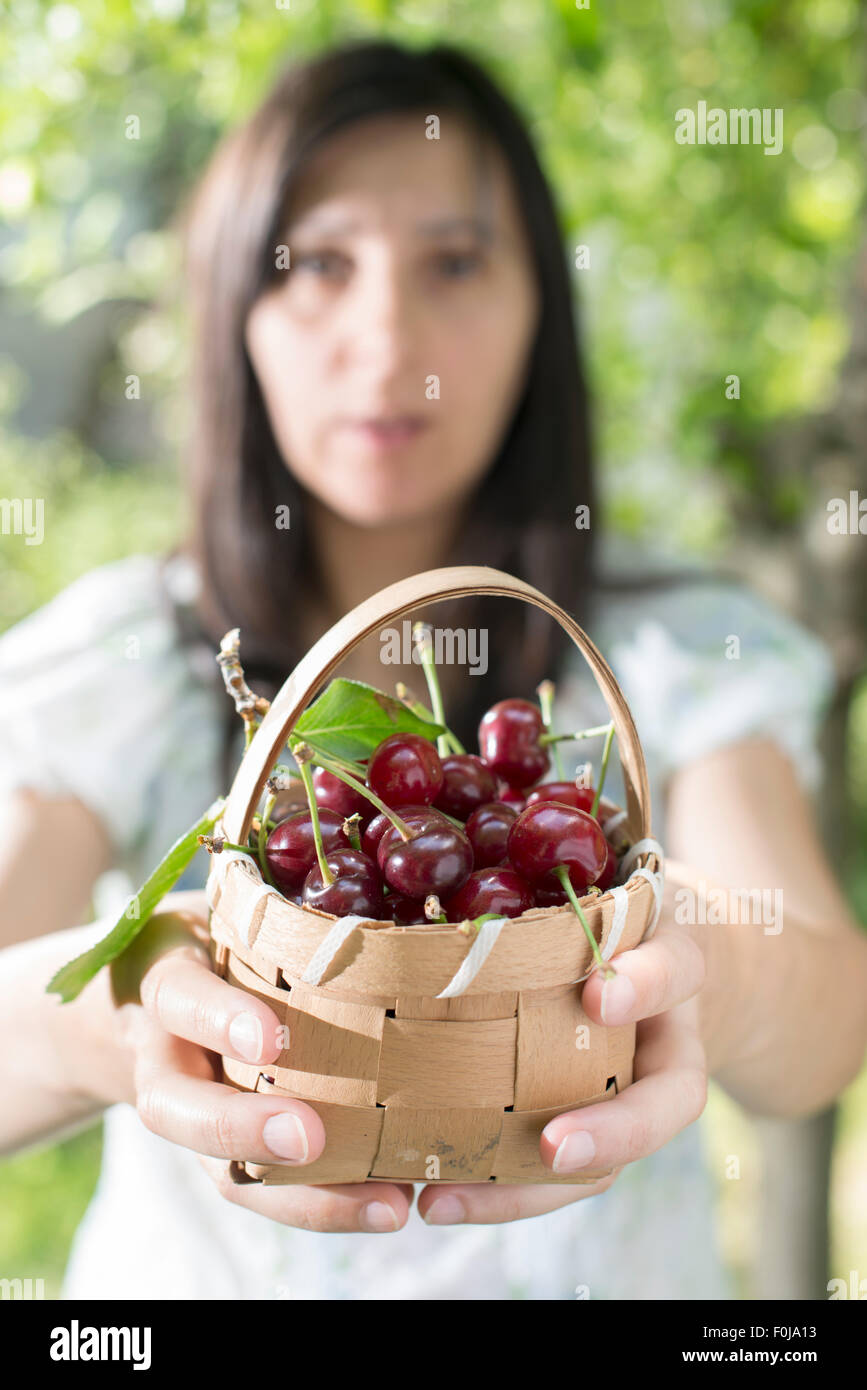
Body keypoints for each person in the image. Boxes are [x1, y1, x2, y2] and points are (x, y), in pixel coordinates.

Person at [1, 39, 866, 1302]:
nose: (388, 335)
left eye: (454, 262)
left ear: (540, 307)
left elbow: (828, 1013)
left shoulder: (674, 649)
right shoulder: (131, 656)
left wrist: (715, 982)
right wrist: (120, 1016)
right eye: (320, 265)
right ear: (236, 307)